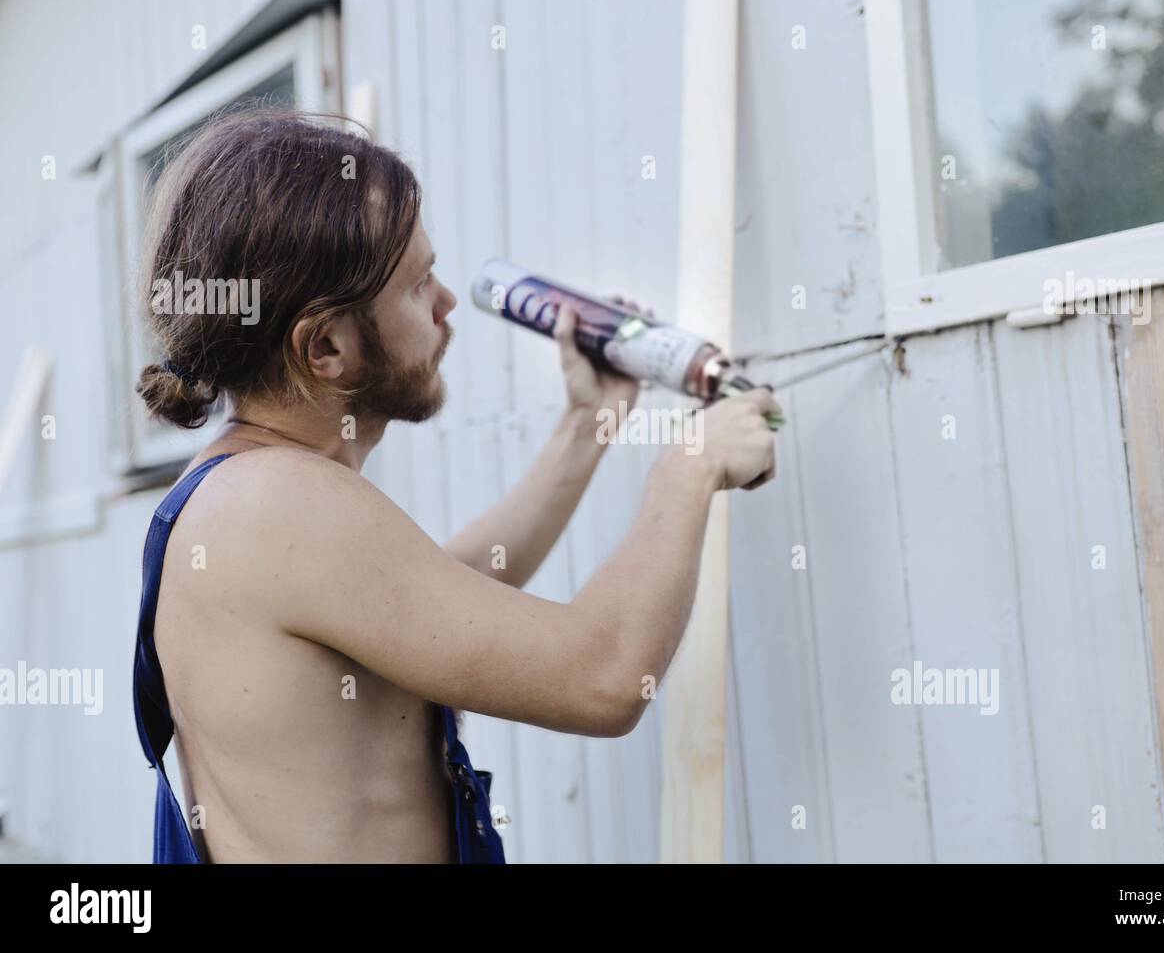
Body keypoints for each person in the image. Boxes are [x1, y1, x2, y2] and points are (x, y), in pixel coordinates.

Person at [130, 107, 780, 864]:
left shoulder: (236, 494)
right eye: (416, 285)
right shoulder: (279, 505)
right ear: (326, 347)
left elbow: (443, 602)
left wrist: (589, 423)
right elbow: (605, 677)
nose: (445, 304)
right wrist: (689, 468)